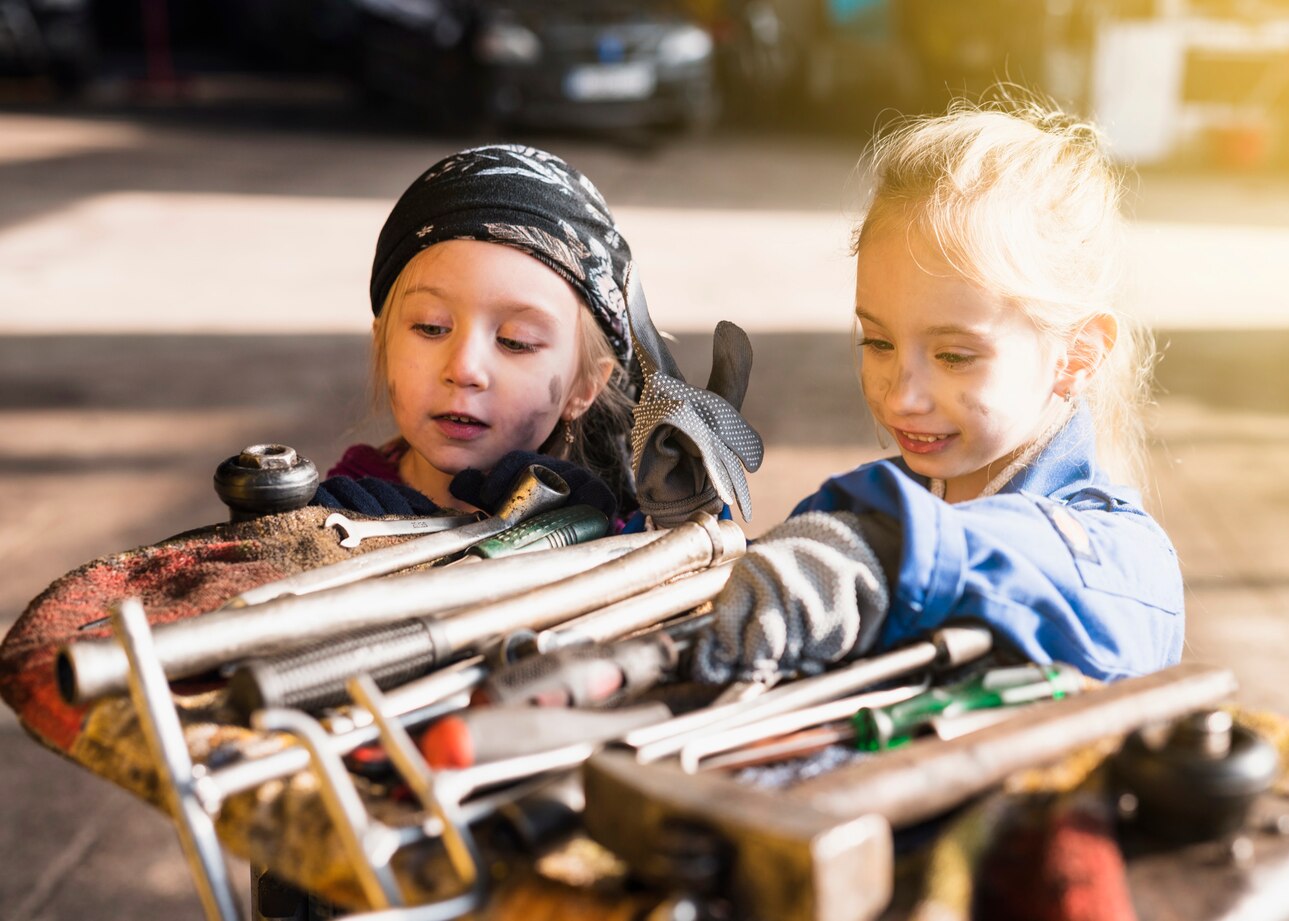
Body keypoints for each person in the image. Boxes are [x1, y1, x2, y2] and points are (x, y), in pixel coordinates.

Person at [694, 102, 1184, 684]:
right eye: (878, 342)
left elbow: (1074, 580)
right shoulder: (853, 516)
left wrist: (889, 548)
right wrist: (699, 532)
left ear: (1076, 355)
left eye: (954, 355)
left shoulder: (1125, 561)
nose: (902, 398)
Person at [312, 143, 762, 532]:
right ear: (383, 342)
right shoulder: (331, 514)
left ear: (585, 388)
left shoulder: (615, 533)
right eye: (431, 327)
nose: (464, 369)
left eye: (515, 341)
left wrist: (682, 530)